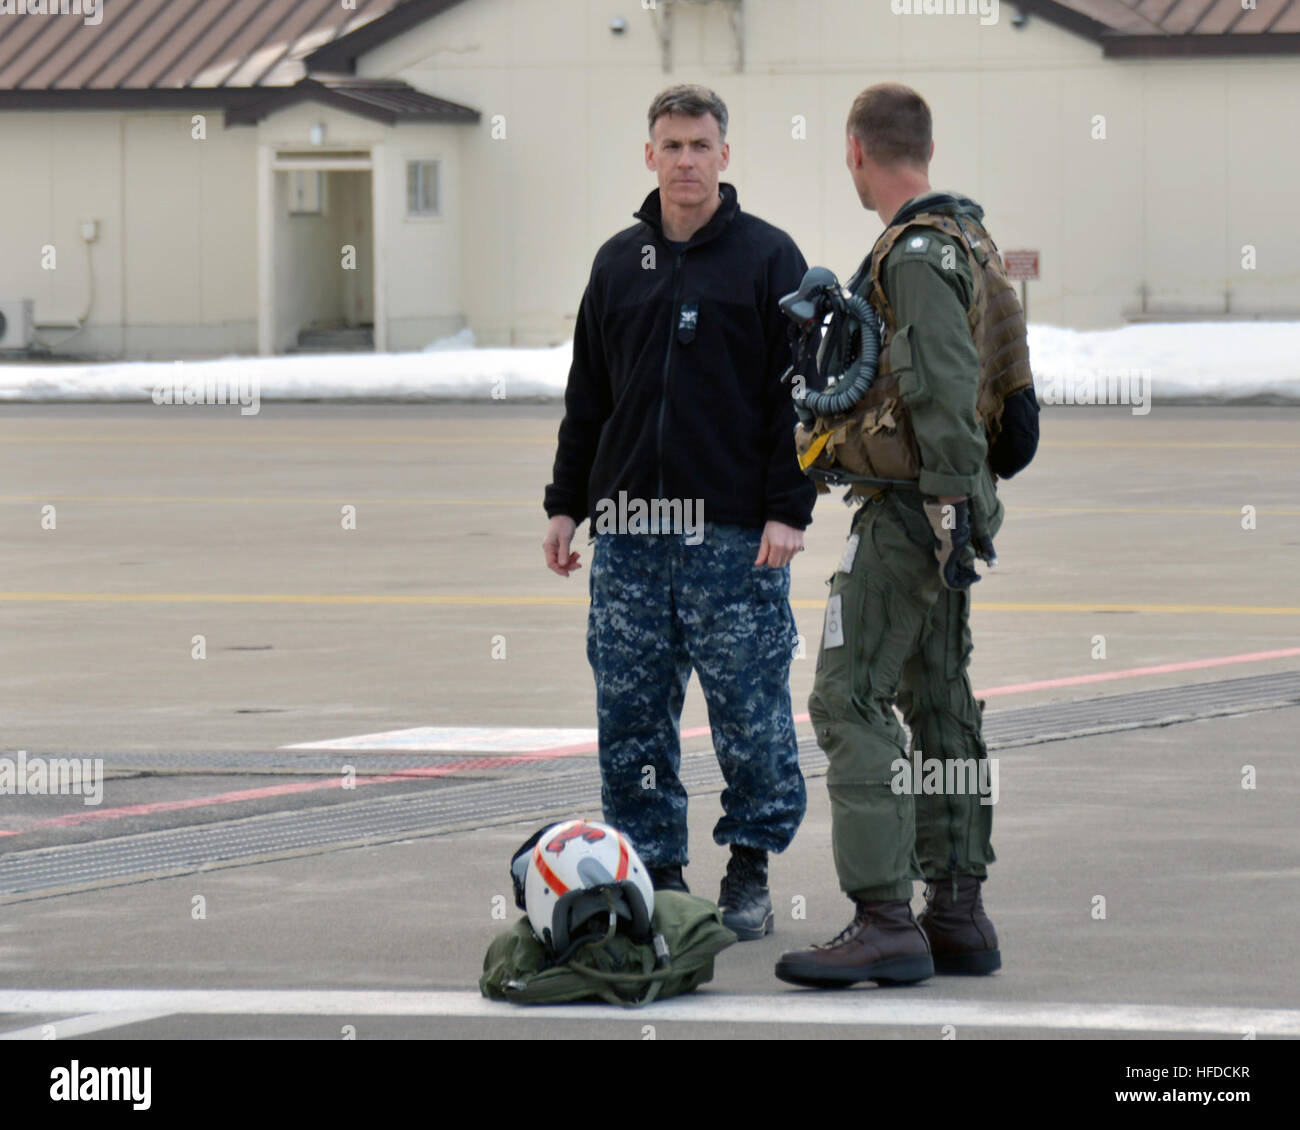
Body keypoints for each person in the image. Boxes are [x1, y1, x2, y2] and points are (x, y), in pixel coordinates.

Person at [542, 84, 815, 941]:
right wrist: (565, 506)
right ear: (649, 155)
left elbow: (797, 402)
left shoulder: (770, 260)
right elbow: (589, 396)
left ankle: (749, 869)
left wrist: (787, 510)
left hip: (733, 537)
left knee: (751, 715)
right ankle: (654, 870)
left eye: (701, 144)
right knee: (630, 722)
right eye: (671, 144)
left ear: (725, 155)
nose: (686, 160)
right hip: (628, 536)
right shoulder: (618, 264)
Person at [776, 82, 1033, 987]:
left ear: (856, 150)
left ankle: (883, 916)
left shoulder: (916, 254)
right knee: (938, 701)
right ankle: (956, 912)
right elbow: (1003, 394)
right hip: (947, 510)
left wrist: (949, 507)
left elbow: (939, 384)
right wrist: (964, 511)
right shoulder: (969, 239)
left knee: (847, 700)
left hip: (914, 510)